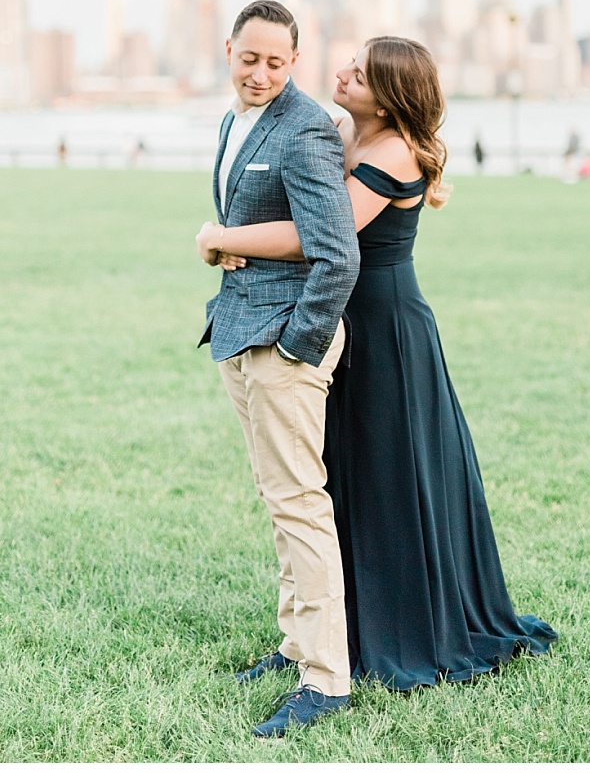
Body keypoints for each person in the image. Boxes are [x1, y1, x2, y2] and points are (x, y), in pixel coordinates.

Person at [200, 36, 556, 694]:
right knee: (338, 475)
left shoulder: (394, 152)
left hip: (385, 325)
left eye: (360, 74)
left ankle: (396, 627)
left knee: (388, 476)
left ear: (389, 96)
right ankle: (323, 631)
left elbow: (321, 233)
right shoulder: (341, 130)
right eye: (350, 63)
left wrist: (222, 237)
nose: (342, 73)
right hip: (337, 313)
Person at [194, 0, 360, 738]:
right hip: (238, 330)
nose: (260, 72)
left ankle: (325, 679)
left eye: (275, 61)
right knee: (276, 497)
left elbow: (338, 252)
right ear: (229, 50)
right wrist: (227, 243)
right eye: (249, 57)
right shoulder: (234, 119)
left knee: (299, 501)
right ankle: (296, 644)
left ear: (294, 62)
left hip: (283, 343)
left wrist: (299, 342)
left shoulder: (307, 130)